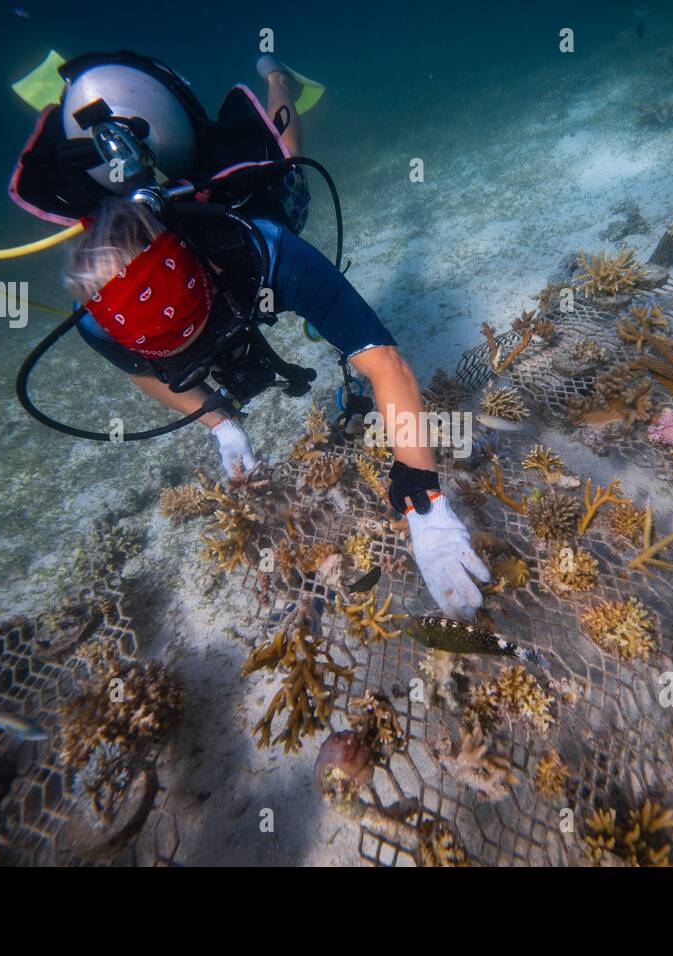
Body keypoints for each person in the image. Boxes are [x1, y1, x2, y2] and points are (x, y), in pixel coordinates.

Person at [51, 55, 489, 621]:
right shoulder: (96, 320)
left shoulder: (267, 250)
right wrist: (220, 423)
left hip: (250, 227)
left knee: (289, 177)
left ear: (206, 280)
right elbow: (143, 373)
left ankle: (278, 80)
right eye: (173, 351)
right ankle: (63, 108)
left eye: (196, 331)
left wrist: (424, 500)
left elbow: (386, 366)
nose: (197, 351)